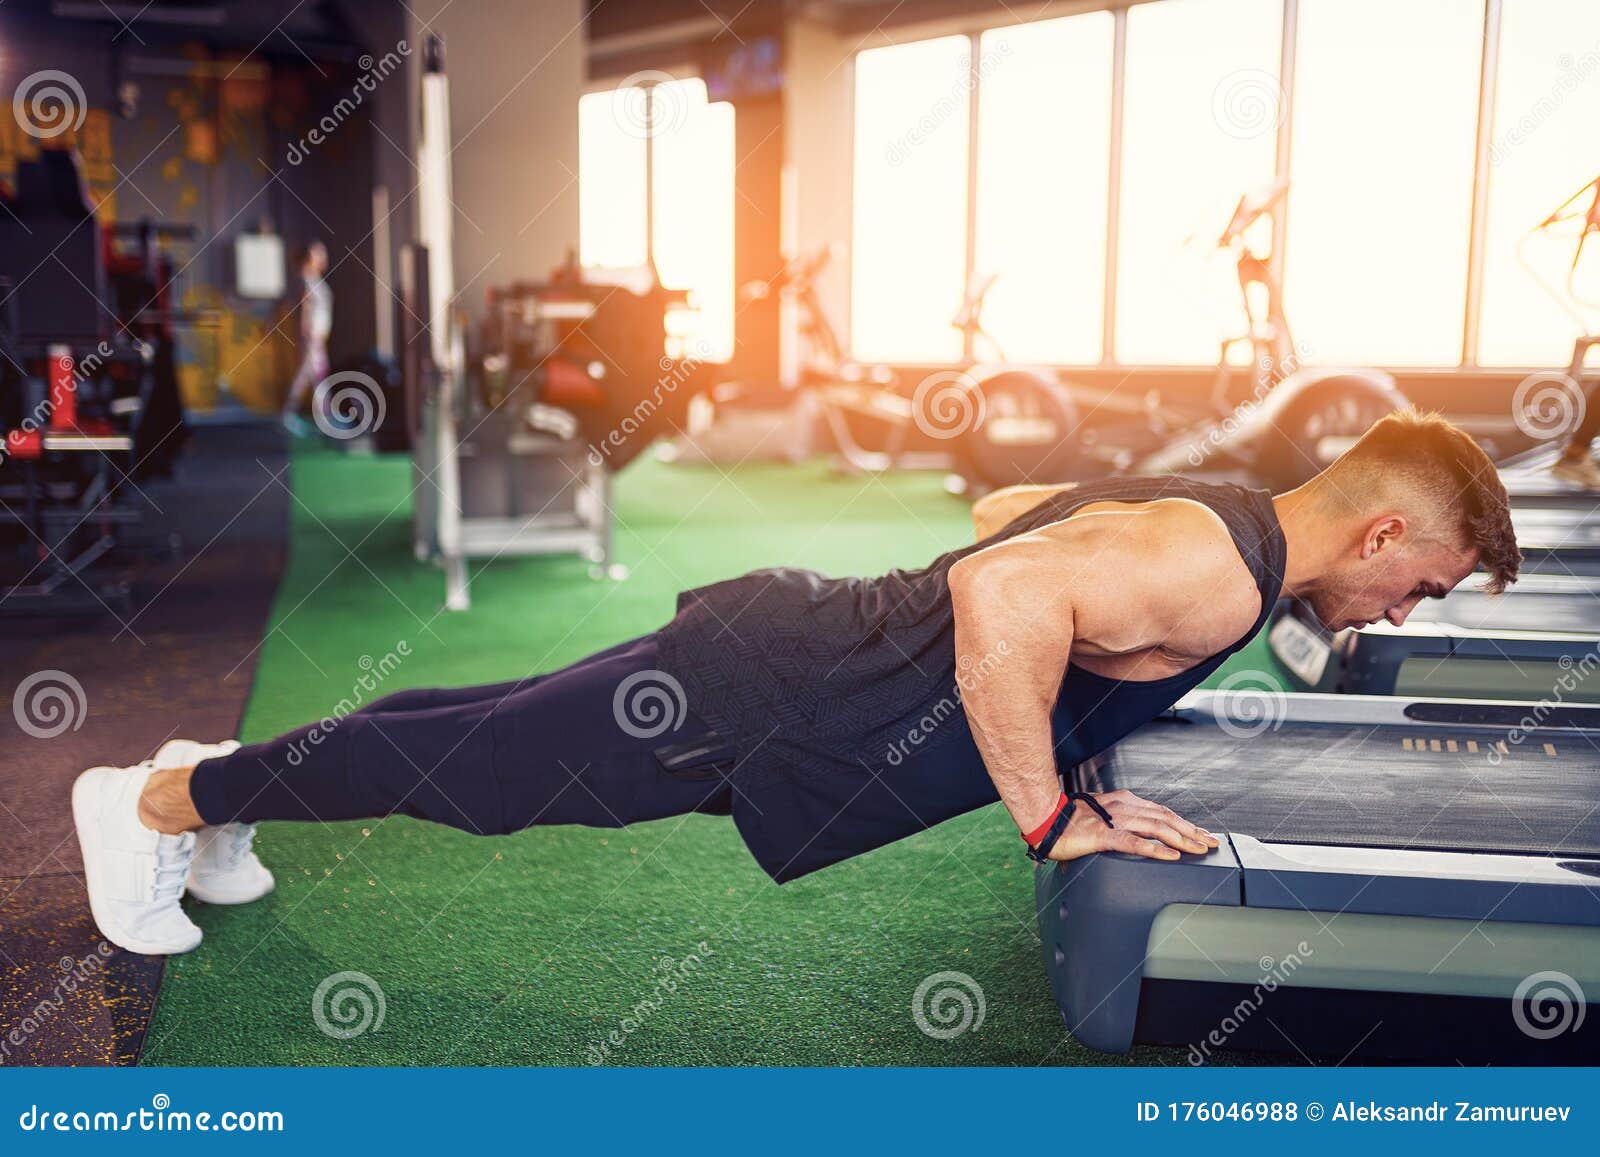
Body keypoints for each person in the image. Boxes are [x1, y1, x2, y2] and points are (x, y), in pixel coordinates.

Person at [72, 409, 1519, 955]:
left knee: (477, 728)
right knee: (480, 774)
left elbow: (1014, 508)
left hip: (784, 650)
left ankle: (215, 788)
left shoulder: (1218, 509)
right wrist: (1050, 815)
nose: (1408, 606)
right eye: (1427, 580)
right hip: (775, 696)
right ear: (1386, 528)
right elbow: (1005, 585)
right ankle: (152, 800)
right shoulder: (1224, 574)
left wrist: (1075, 733)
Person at [279, 241, 332, 436]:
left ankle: (291, 414)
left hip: (316, 338)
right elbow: (305, 310)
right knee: (316, 377)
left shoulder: (314, 279)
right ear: (310, 258)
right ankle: (323, 417)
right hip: (313, 339)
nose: (323, 258)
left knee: (309, 378)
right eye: (319, 254)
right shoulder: (308, 280)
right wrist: (311, 338)